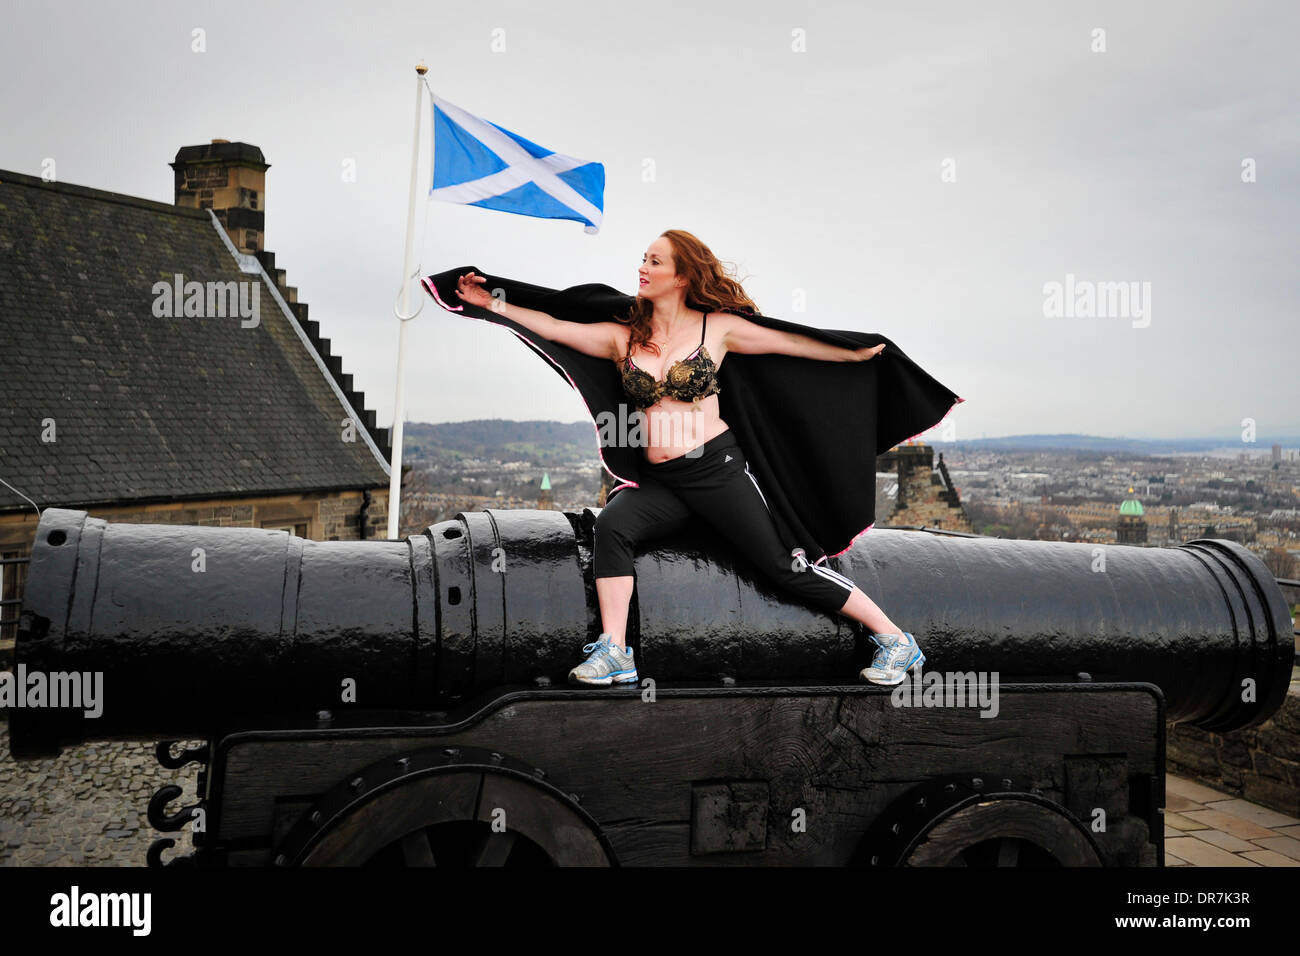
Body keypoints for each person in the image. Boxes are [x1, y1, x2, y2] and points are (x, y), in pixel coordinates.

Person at [452, 229, 926, 688]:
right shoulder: (624, 339)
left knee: (784, 567)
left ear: (681, 277)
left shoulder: (717, 330)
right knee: (612, 528)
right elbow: (555, 326)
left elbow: (795, 345)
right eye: (643, 258)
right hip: (662, 482)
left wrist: (858, 357)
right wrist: (492, 303)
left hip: (717, 472)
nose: (642, 268)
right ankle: (615, 650)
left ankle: (894, 638)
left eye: (654, 261)